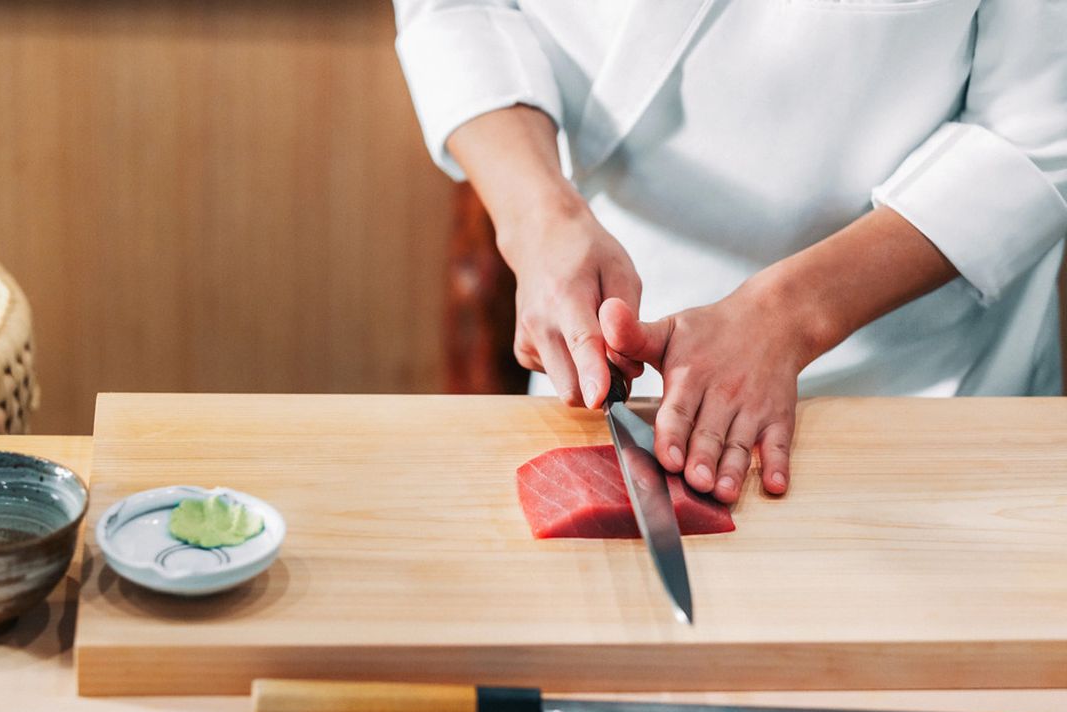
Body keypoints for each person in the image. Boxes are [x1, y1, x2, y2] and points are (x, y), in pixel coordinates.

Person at [393, 1, 1067, 504]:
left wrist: (790, 312)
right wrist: (537, 211)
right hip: (605, 367)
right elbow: (456, 10)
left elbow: (1036, 135)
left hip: (932, 394)